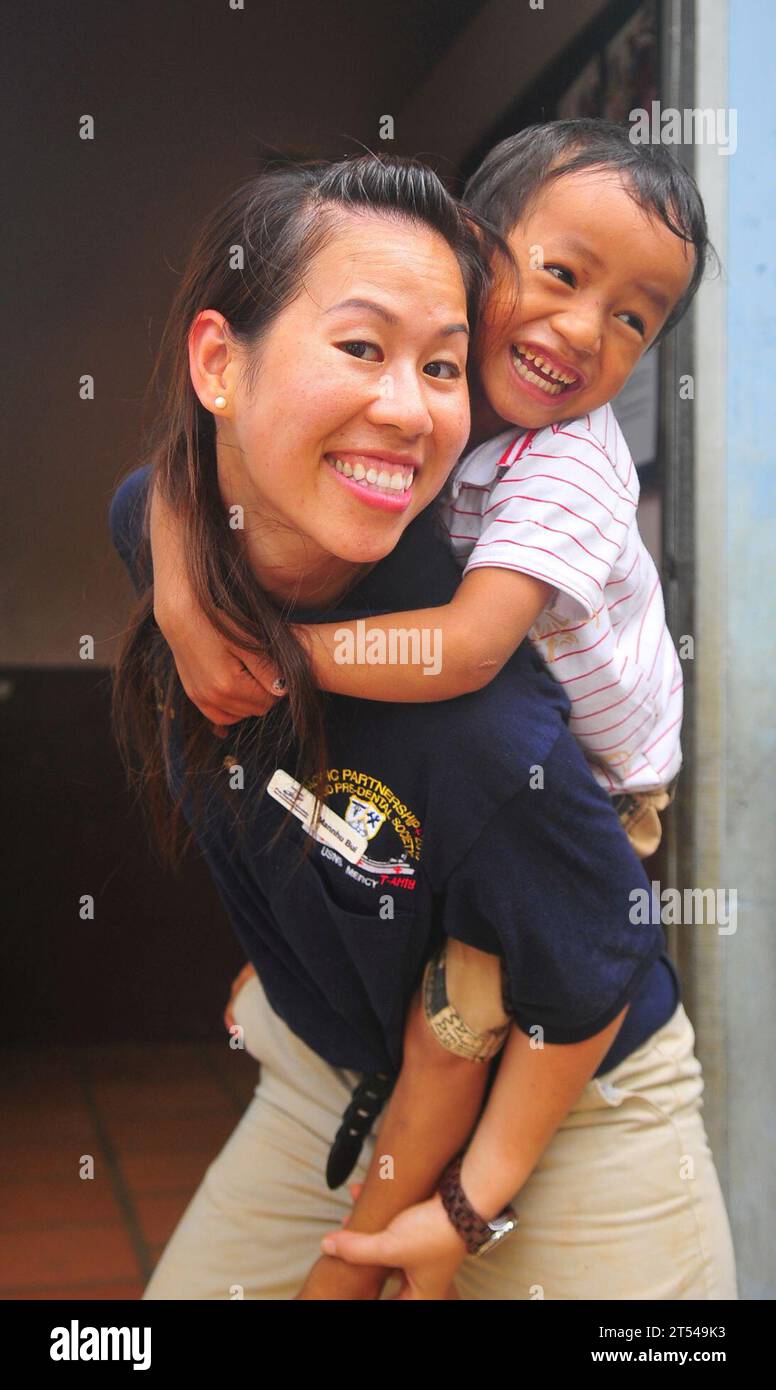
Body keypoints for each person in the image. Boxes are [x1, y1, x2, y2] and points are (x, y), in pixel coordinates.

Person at [109, 151, 737, 1299]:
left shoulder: (533, 543)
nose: (403, 403)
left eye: (632, 321)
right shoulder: (242, 521)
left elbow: (468, 664)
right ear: (218, 364)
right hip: (333, 1065)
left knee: (467, 1005)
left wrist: (463, 1208)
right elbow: (160, 489)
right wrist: (190, 602)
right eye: (361, 346)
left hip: (579, 1074)